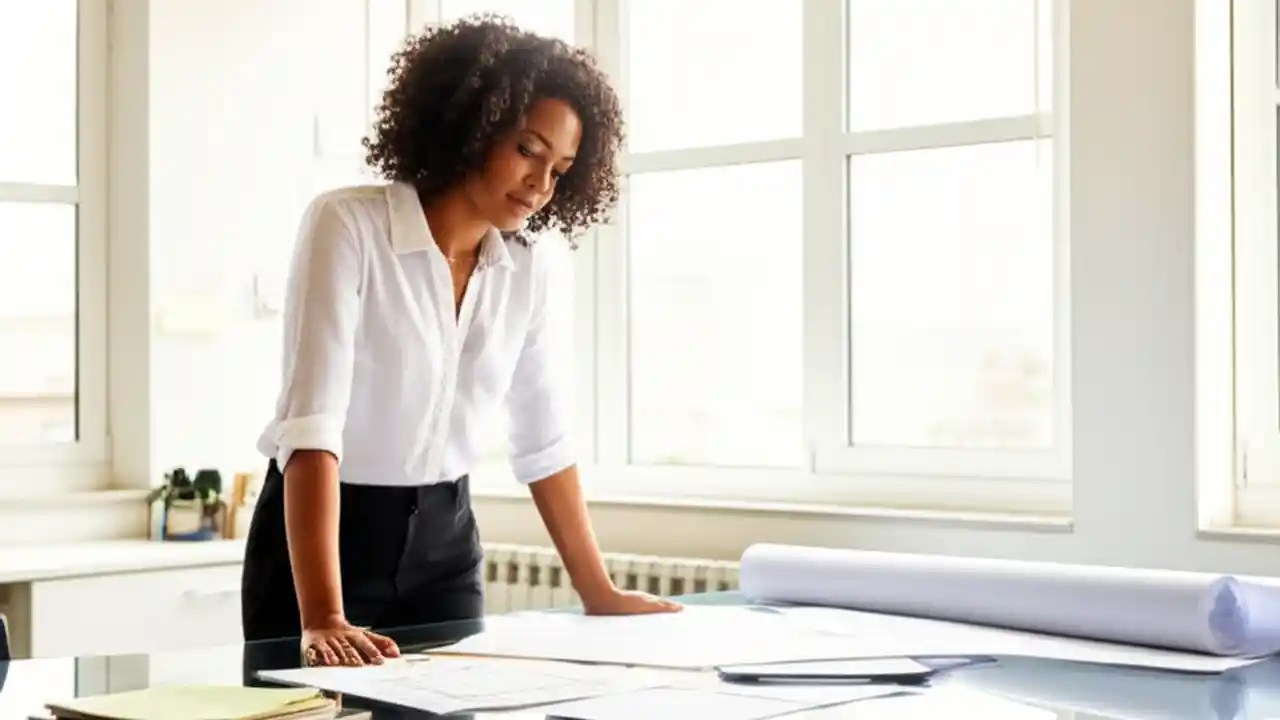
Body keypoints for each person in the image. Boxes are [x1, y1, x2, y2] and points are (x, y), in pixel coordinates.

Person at [241, 14, 681, 669]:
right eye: (528, 149)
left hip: (447, 547)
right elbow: (312, 428)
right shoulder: (347, 225)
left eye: (560, 169)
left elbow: (542, 439)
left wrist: (598, 590)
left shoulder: (527, 266)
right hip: (325, 546)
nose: (540, 184)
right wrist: (324, 615)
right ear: (472, 121)